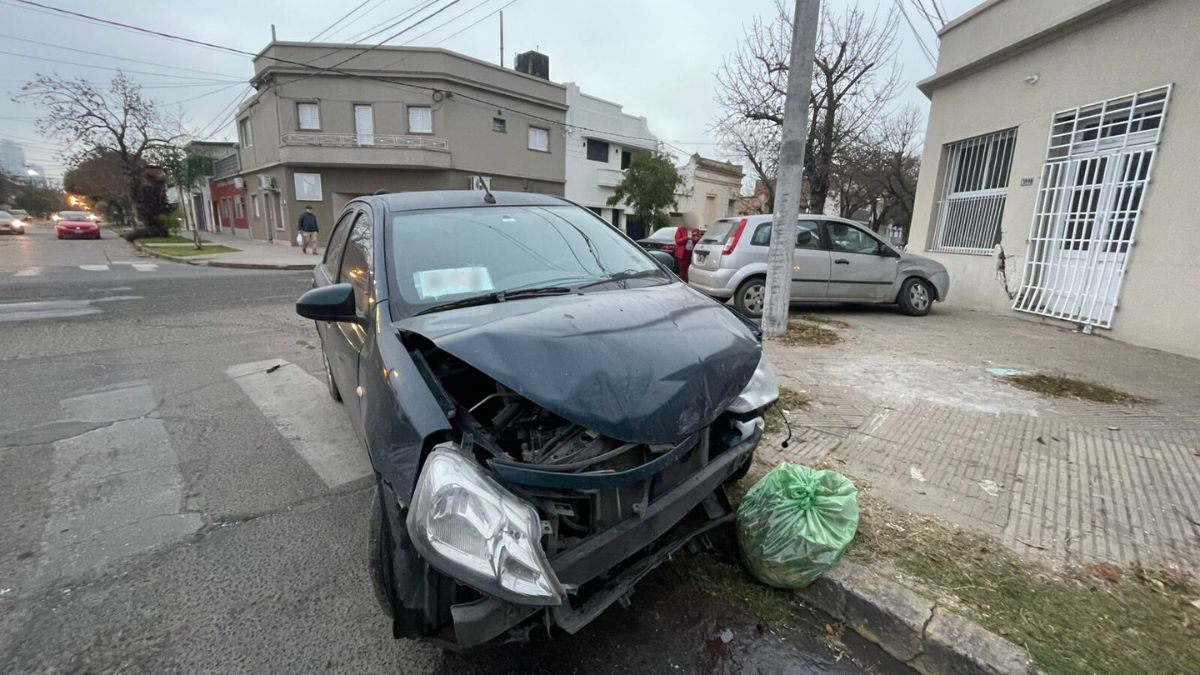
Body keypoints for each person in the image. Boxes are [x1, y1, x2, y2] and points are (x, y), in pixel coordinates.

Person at [674, 212, 703, 282]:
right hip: (683, 254)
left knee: (691, 271)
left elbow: (699, 240)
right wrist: (687, 238)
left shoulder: (696, 230)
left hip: (692, 253)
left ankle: (689, 283)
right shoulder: (681, 229)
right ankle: (682, 283)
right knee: (683, 271)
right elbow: (678, 241)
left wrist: (696, 239)